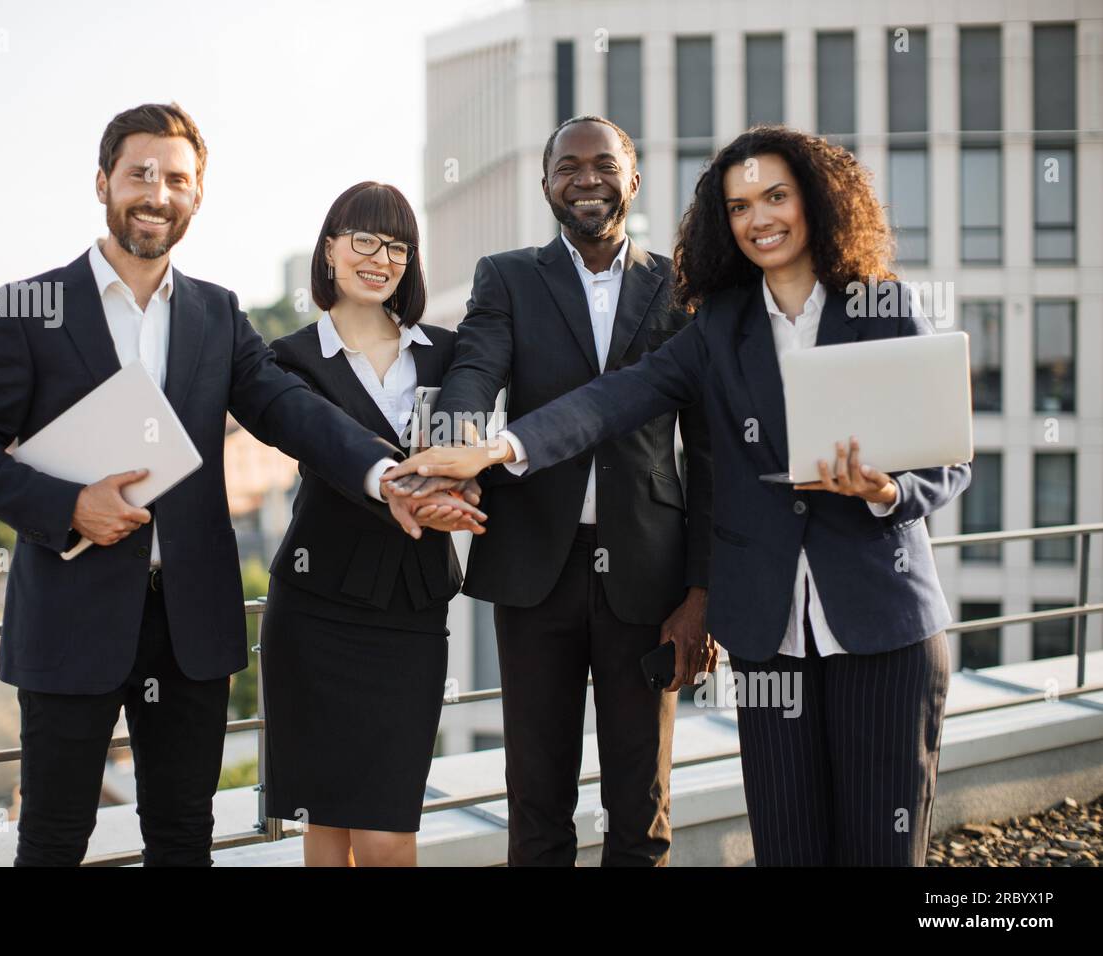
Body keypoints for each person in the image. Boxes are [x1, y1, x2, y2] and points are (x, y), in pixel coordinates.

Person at [386, 125, 971, 866]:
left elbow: (948, 462)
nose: (759, 218)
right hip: (770, 635)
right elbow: (611, 399)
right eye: (739, 206)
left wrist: (886, 489)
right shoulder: (720, 324)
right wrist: (494, 448)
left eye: (776, 197)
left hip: (882, 625)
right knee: (787, 848)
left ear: (816, 202)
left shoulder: (879, 305)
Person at [0, 103, 481, 867]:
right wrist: (68, 508)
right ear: (103, 183)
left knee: (185, 839)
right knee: (54, 840)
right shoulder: (31, 308)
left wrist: (385, 476)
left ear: (196, 198)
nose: (158, 193)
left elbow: (291, 410)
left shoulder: (217, 314)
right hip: (70, 617)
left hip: (190, 623)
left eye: (178, 180)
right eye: (141, 174)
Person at [390, 116, 714, 867]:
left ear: (633, 180)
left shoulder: (681, 286)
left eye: (605, 164)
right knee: (537, 798)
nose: (587, 179)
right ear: (546, 186)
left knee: (641, 801)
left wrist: (703, 590)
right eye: (568, 168)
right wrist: (459, 441)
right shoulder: (507, 277)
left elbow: (708, 451)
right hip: (536, 564)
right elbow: (475, 366)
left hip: (651, 573)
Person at [260, 182, 480, 867]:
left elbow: (473, 450)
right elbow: (318, 451)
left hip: (410, 613)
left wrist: (463, 486)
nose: (380, 257)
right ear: (329, 250)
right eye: (363, 240)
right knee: (326, 828)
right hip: (315, 606)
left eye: (396, 246)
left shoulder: (447, 353)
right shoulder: (288, 359)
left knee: (387, 837)